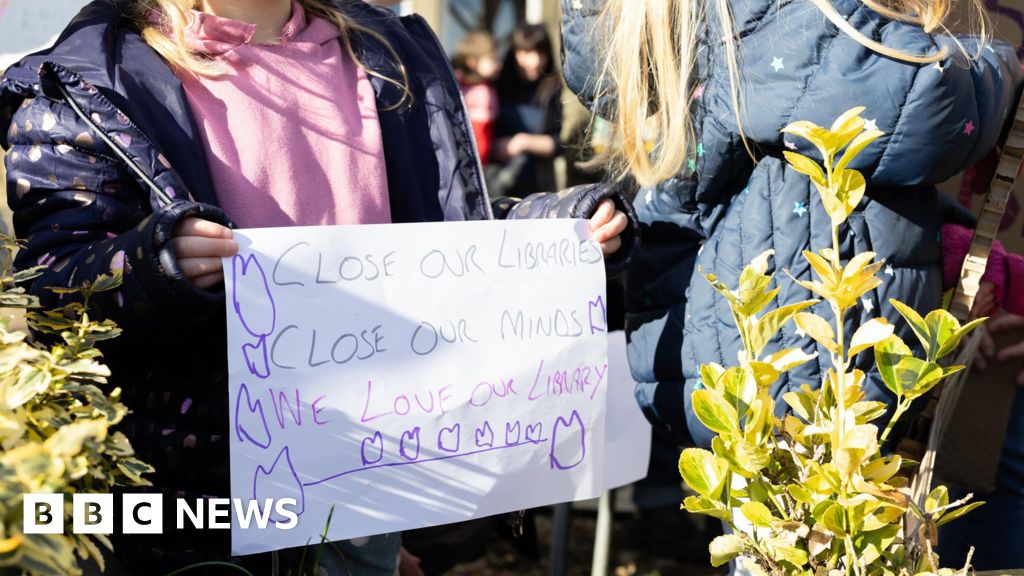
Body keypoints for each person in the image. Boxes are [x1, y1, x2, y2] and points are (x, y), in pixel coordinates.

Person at [0, 0, 638, 574]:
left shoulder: (387, 55)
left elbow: (442, 233)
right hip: (200, 506)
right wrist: (153, 265)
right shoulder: (86, 79)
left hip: (382, 477)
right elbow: (57, 284)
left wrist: (552, 231)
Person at [560, 0, 1021, 450]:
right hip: (802, 368)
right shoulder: (789, 17)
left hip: (720, 345)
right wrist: (1004, 64)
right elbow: (934, 101)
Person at [489, 23, 563, 198]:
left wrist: (523, 142)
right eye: (527, 52)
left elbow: (564, 143)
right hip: (498, 185)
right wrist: (494, 146)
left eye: (541, 53)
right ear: (513, 53)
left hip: (540, 189)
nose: (535, 61)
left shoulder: (555, 89)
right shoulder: (495, 88)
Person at [452, 30, 500, 164]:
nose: (498, 65)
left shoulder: (489, 87)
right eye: (493, 60)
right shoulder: (459, 84)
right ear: (472, 62)